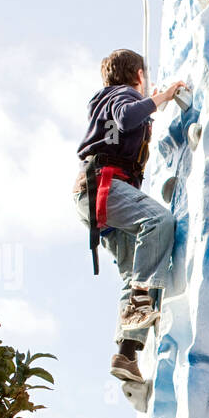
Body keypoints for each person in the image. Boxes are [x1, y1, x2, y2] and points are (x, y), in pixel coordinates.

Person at [74, 48, 185, 383]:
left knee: (135, 272)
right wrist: (161, 98)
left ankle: (126, 354)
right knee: (159, 221)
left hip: (98, 198)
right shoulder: (121, 95)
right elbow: (126, 117)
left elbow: (121, 123)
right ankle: (139, 303)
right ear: (138, 75)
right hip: (104, 188)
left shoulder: (105, 100)